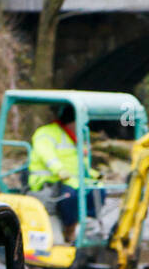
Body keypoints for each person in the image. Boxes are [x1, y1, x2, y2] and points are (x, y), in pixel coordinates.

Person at [28, 102, 103, 243]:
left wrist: (94, 175)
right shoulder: (46, 133)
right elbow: (47, 155)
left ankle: (89, 226)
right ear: (72, 122)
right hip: (49, 182)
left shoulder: (74, 137)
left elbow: (80, 163)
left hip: (71, 180)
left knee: (98, 190)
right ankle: (69, 229)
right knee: (69, 197)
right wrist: (59, 170)